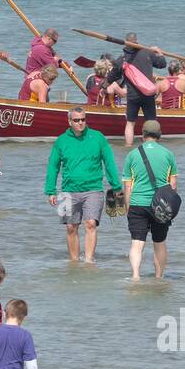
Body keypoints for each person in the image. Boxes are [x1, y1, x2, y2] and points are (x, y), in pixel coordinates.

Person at [45, 107, 121, 264]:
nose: (80, 123)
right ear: (69, 121)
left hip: (93, 189)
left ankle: (88, 261)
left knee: (91, 223)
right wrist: (50, 190)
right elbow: (53, 166)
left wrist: (116, 186)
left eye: (83, 119)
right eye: (76, 120)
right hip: (68, 191)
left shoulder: (98, 137)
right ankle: (73, 262)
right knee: (70, 227)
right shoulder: (61, 141)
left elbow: (109, 163)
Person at [122, 119, 177, 281]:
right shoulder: (168, 154)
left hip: (138, 204)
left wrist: (128, 208)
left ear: (143, 134)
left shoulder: (132, 155)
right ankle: (159, 278)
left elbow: (127, 187)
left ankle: (135, 277)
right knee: (159, 242)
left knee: (137, 243)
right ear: (159, 135)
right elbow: (173, 186)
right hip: (161, 205)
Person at [105, 33, 167, 147]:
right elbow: (162, 64)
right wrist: (160, 53)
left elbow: (111, 77)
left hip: (133, 96)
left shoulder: (122, 59)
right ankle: (153, 145)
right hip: (147, 94)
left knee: (130, 123)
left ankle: (128, 146)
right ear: (136, 41)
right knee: (151, 122)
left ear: (126, 43)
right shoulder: (147, 53)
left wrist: (104, 87)